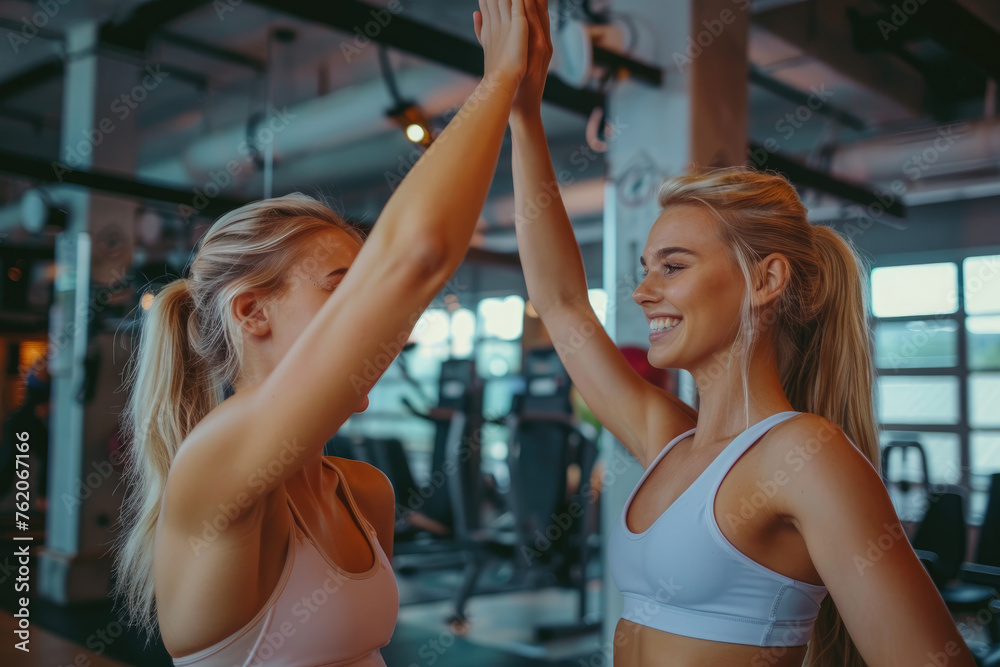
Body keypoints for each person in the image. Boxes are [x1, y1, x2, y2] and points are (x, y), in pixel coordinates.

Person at [506, 3, 975, 665]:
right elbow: (559, 304)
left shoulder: (805, 454)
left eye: (673, 266)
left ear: (765, 280)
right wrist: (523, 110)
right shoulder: (667, 442)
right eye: (645, 269)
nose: (643, 291)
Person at [113, 2, 534, 665]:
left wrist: (523, 112)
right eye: (343, 289)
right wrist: (500, 78)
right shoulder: (216, 462)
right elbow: (417, 256)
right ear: (253, 313)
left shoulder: (364, 490)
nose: (368, 314)